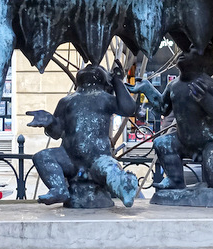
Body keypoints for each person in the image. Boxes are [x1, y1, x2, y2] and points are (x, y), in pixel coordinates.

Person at [27, 63, 139, 207]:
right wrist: (50, 122)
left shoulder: (105, 98)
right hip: (69, 159)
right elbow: (57, 133)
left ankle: (124, 187)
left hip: (98, 159)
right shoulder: (66, 101)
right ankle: (59, 189)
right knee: (42, 156)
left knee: (110, 169)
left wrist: (118, 81)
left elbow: (128, 108)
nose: (89, 66)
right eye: (86, 68)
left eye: (95, 68)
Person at [131, 45, 213, 190]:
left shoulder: (211, 85)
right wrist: (147, 88)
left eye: (190, 50)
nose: (182, 52)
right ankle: (175, 180)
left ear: (203, 61)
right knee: (162, 143)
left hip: (211, 143)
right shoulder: (173, 85)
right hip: (183, 141)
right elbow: (163, 108)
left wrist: (205, 99)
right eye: (183, 50)